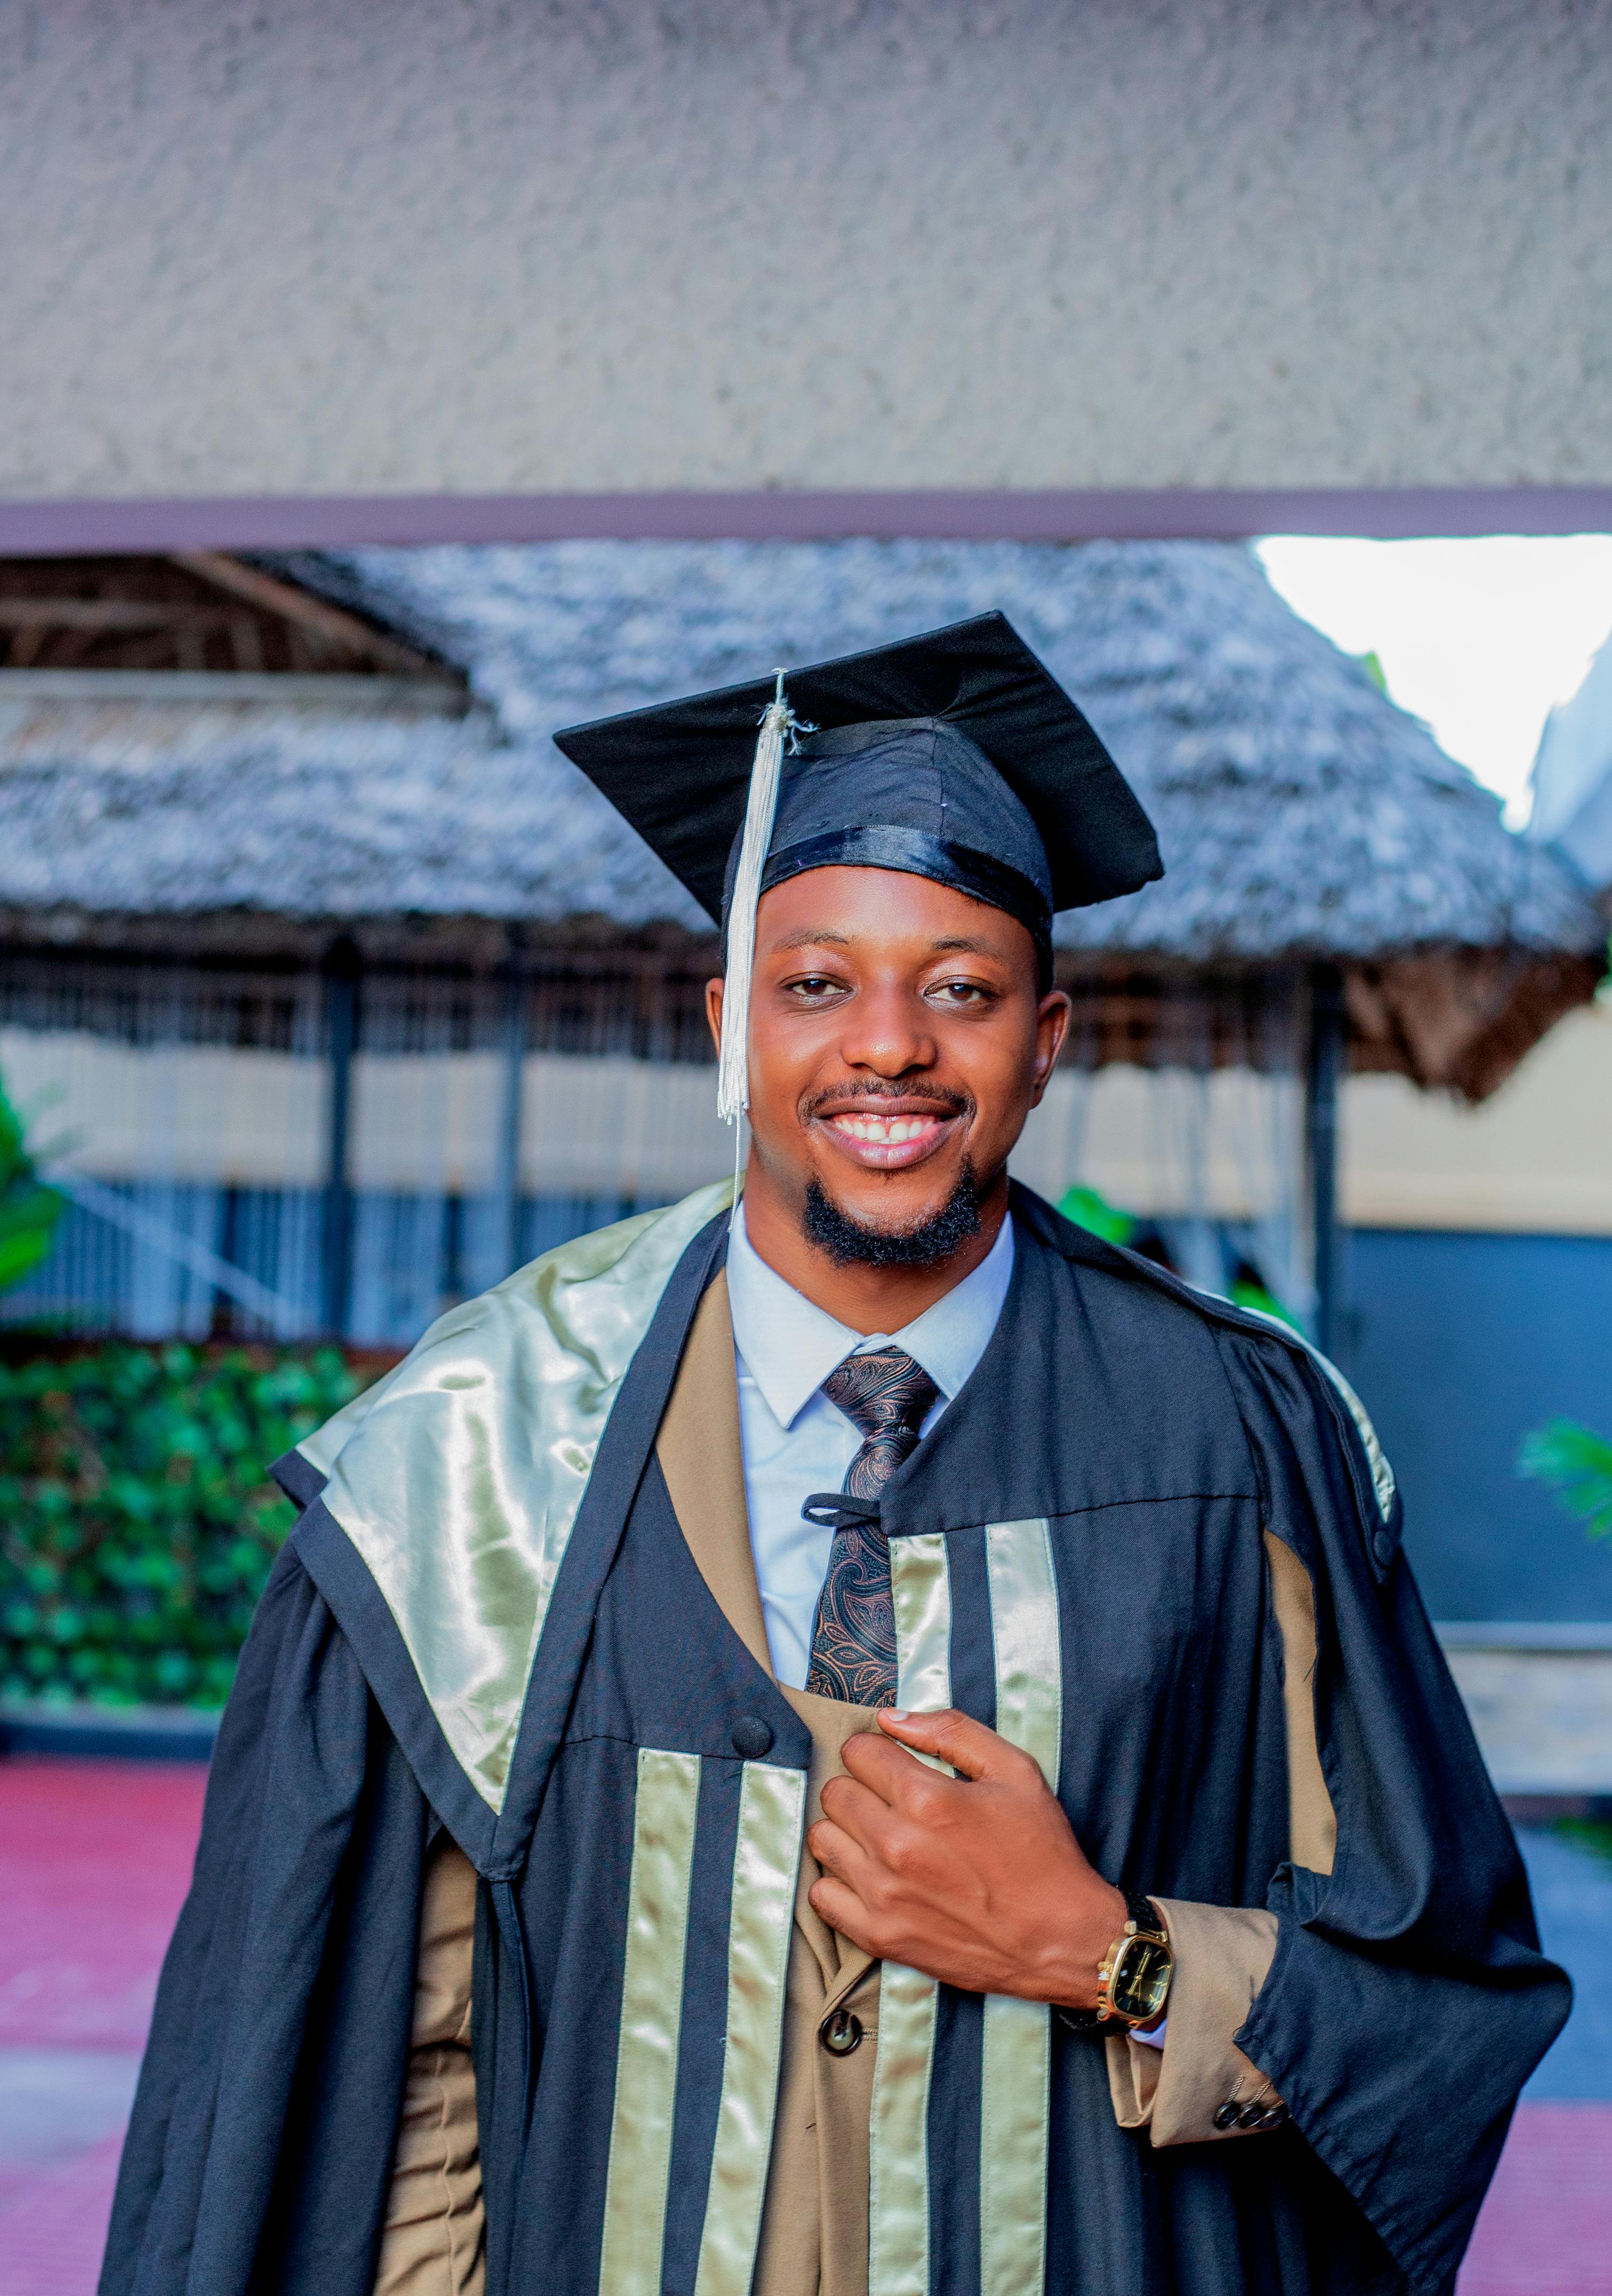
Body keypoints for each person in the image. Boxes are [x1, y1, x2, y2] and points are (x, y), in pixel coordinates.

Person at [103, 614, 1568, 2296]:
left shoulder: (1240, 1439)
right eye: (816, 984)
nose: (887, 1044)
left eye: (960, 989)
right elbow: (400, 2061)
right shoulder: (489, 1438)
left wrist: (1107, 1950)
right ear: (730, 1021)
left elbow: (1435, 2001)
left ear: (1045, 1039)